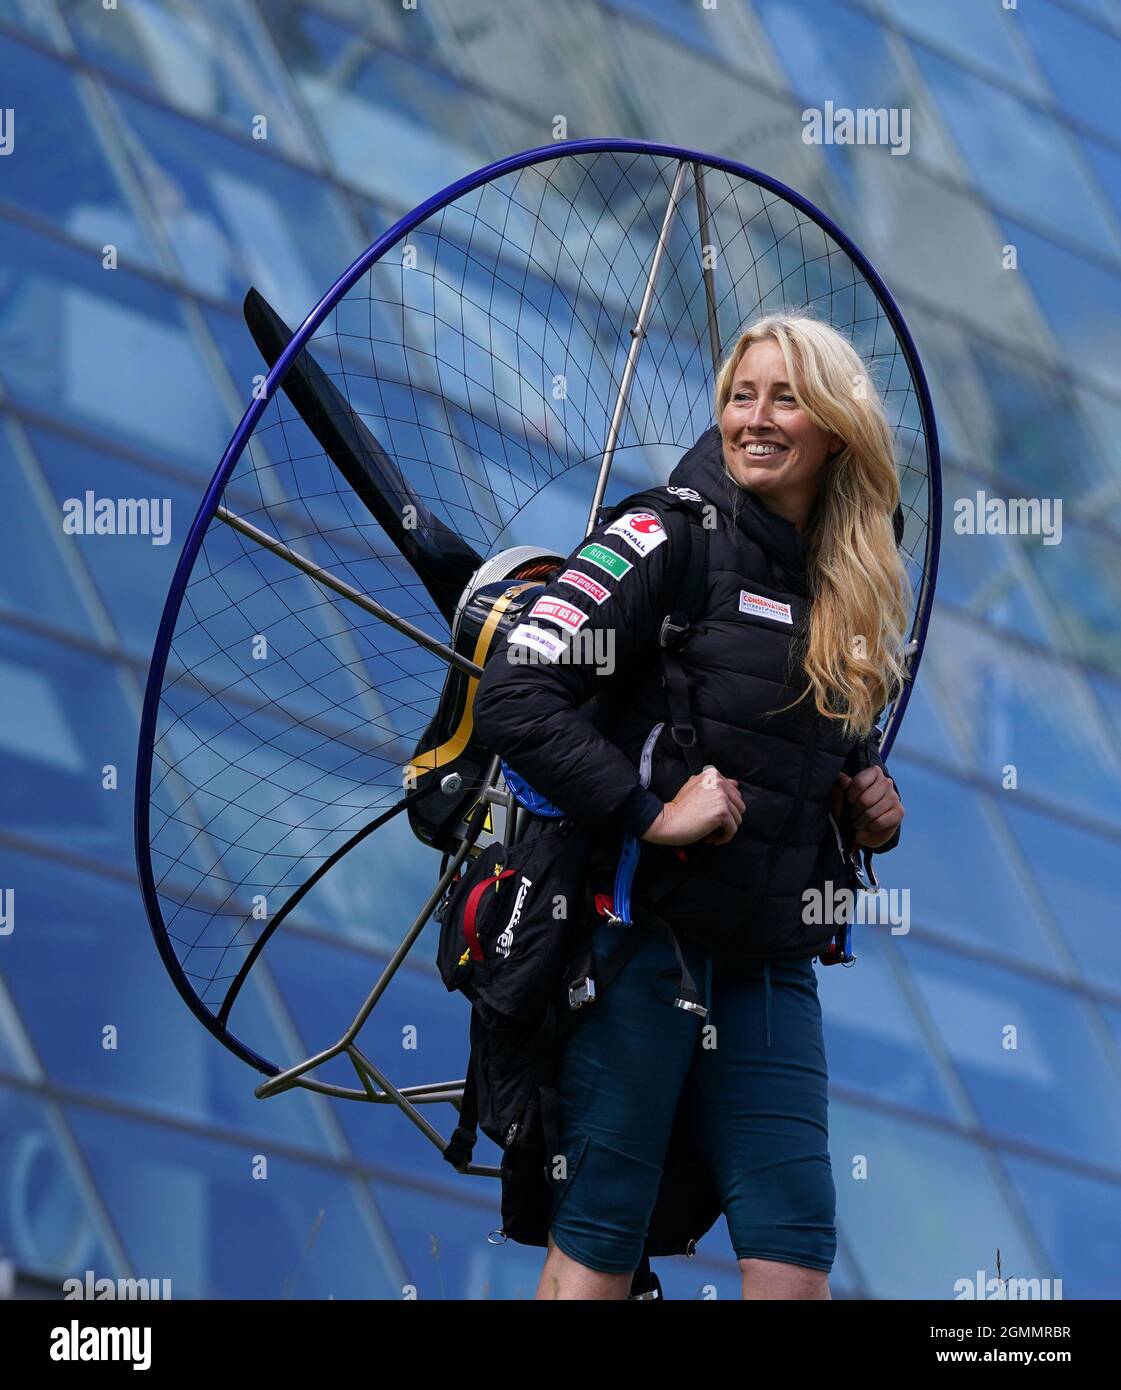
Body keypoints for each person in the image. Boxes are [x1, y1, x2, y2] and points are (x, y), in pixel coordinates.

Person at [472, 310, 909, 1300]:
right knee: (598, 1238)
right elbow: (515, 692)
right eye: (740, 395)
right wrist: (646, 810)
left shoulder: (847, 582)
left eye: (784, 398)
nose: (754, 419)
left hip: (770, 969)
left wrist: (868, 808)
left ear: (834, 428)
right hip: (637, 941)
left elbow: (825, 764)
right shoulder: (658, 534)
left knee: (794, 1250)